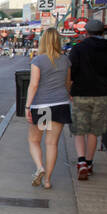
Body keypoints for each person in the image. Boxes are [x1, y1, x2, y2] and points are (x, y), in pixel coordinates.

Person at [68, 17, 107, 180]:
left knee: (79, 129)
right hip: (102, 93)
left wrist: (70, 88)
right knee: (94, 131)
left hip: (81, 92)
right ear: (102, 32)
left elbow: (72, 71)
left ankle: (81, 161)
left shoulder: (78, 49)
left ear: (87, 32)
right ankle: (89, 163)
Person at [26, 27, 71, 189]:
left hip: (42, 106)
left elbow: (34, 85)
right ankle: (47, 181)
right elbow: (67, 83)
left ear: (43, 41)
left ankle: (40, 167)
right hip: (61, 105)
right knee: (52, 144)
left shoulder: (38, 60)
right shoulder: (65, 60)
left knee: (34, 140)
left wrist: (27, 106)